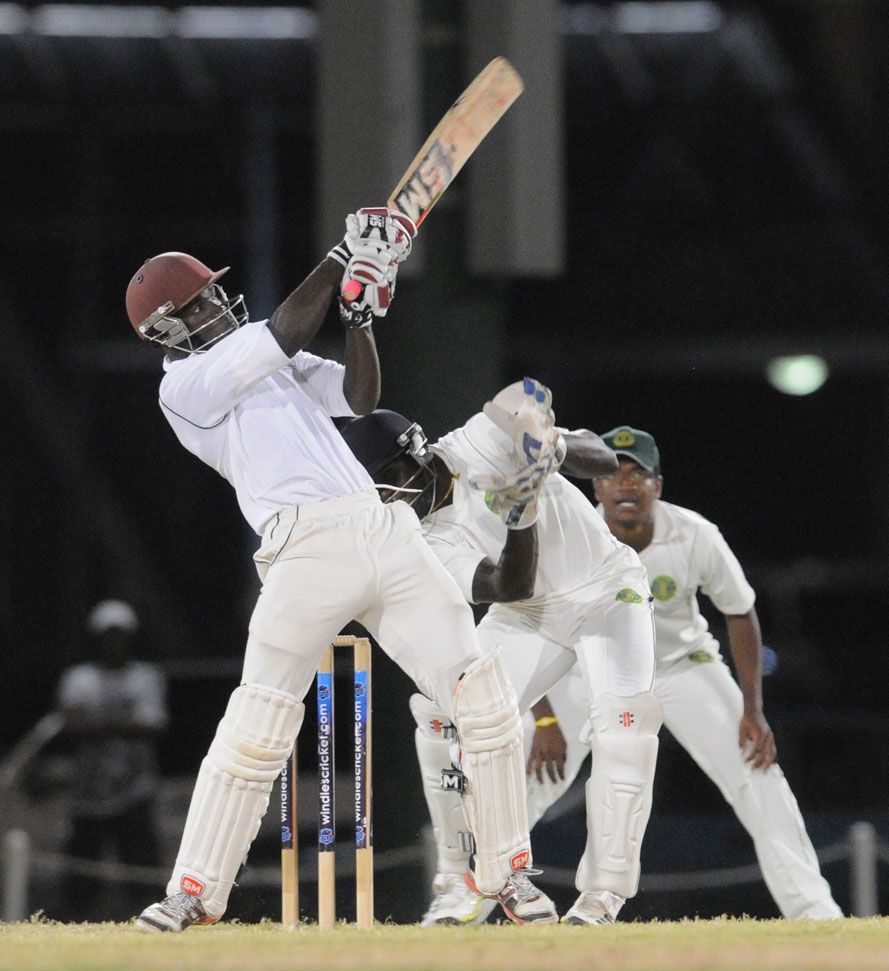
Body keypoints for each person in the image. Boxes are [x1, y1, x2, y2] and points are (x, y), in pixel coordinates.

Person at [123, 211, 556, 931]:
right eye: (196, 303)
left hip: (380, 524)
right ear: (165, 331)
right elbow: (283, 332)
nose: (216, 304)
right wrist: (340, 258)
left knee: (481, 694)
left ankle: (508, 875)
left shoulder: (268, 354)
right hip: (301, 549)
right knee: (259, 722)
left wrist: (358, 318)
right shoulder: (187, 386)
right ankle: (193, 890)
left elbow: (359, 399)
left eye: (212, 292)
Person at [340, 392, 662, 926]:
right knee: (443, 716)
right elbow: (508, 586)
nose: (385, 502)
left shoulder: (482, 440)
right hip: (527, 612)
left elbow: (603, 457)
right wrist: (522, 514)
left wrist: (550, 445)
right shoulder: (424, 538)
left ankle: (603, 896)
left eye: (384, 484)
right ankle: (458, 881)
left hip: (608, 591)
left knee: (624, 729)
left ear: (410, 457)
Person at [522, 426, 843, 920]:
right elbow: (526, 624)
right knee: (527, 774)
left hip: (680, 667)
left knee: (757, 771)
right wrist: (543, 718)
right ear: (596, 487)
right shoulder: (568, 536)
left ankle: (815, 912)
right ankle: (468, 897)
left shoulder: (694, 534)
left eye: (639, 473)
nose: (626, 483)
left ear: (658, 485)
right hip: (590, 671)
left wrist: (752, 709)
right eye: (613, 473)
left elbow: (740, 611)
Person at [54, 600, 168, 921]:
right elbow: (68, 722)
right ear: (97, 638)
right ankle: (74, 924)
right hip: (87, 794)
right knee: (80, 876)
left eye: (120, 635)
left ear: (130, 637)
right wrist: (120, 724)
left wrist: (96, 723)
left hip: (135, 792)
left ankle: (151, 923)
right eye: (107, 635)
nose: (114, 642)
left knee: (141, 872)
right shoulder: (79, 677)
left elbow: (152, 725)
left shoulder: (146, 676)